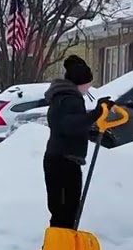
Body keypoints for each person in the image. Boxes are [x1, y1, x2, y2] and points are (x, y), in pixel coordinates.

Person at [43, 55, 111, 229]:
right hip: (65, 161)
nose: (89, 87)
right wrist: (95, 114)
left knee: (60, 209)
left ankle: (56, 247)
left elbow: (71, 122)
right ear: (81, 82)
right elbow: (70, 125)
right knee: (67, 210)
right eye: (88, 83)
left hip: (57, 158)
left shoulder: (62, 96)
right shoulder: (71, 98)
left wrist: (93, 120)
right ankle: (60, 249)